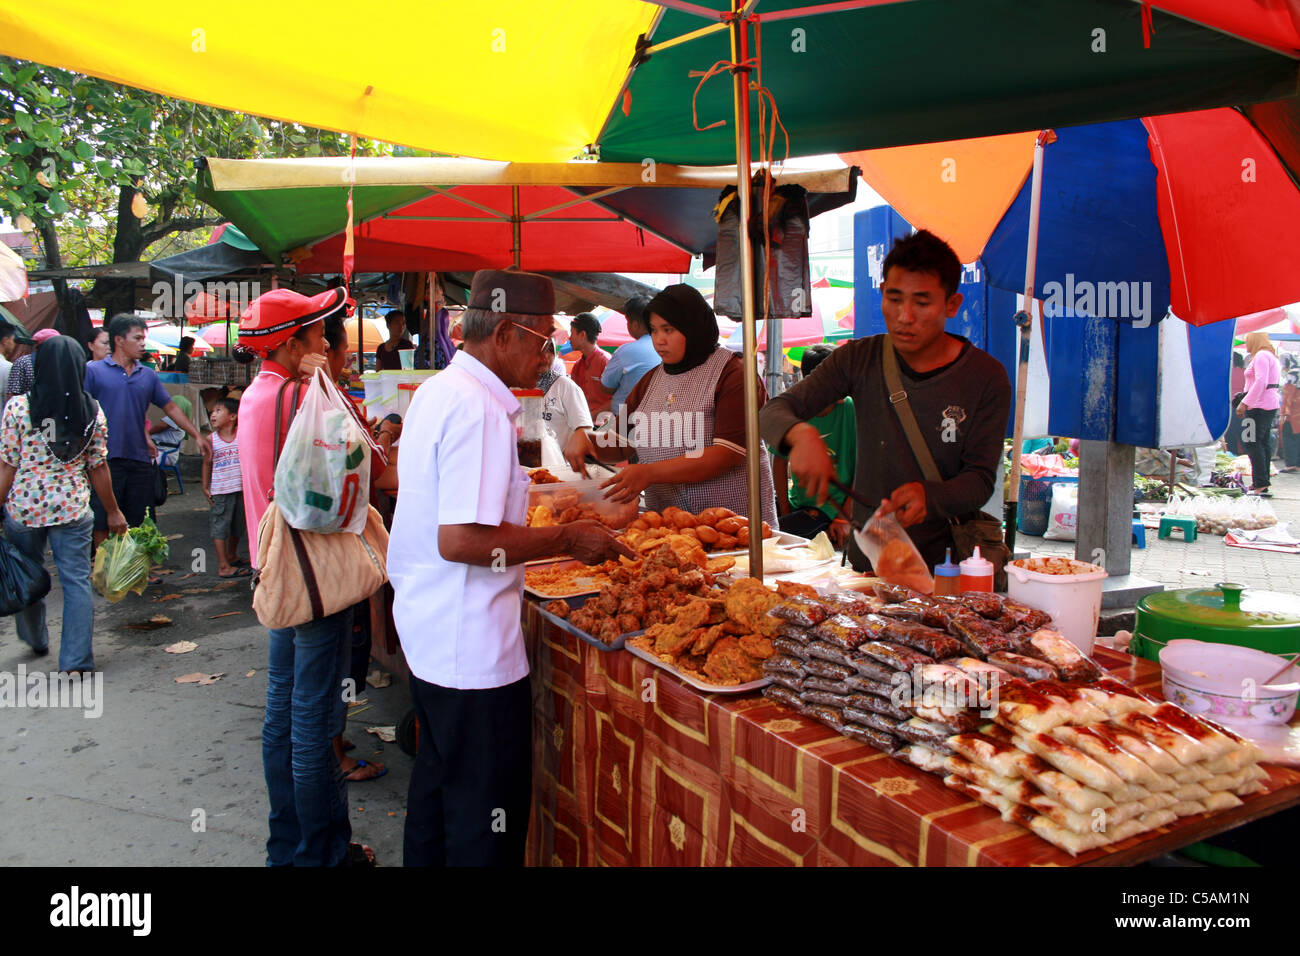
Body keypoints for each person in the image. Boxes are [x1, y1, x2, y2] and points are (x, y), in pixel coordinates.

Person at [388, 268, 632, 867]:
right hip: (469, 650)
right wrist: (568, 538)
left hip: (431, 633)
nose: (549, 355)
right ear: (502, 332)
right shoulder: (476, 409)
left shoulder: (442, 392)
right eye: (543, 340)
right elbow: (463, 539)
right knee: (484, 822)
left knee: (437, 797)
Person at [236, 286, 385, 867]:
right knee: (313, 719)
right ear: (293, 344)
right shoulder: (305, 398)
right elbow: (370, 473)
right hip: (314, 579)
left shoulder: (257, 394)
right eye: (320, 333)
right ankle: (323, 853)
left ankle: (288, 847)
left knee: (283, 711)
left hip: (274, 575)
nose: (328, 342)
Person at [760, 230, 1011, 571]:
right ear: (882, 294)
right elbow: (773, 411)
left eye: (922, 302)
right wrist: (799, 435)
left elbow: (980, 479)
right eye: (894, 299)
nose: (905, 316)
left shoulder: (985, 377)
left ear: (952, 304)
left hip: (949, 566)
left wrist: (931, 496)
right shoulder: (860, 358)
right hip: (870, 565)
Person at [586, 284, 779, 524]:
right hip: (669, 527)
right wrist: (584, 441)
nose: (660, 340)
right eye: (654, 330)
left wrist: (650, 472)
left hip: (734, 526)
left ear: (693, 327)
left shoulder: (733, 373)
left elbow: (727, 454)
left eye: (669, 330)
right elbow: (621, 443)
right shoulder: (650, 380)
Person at [0, 336, 127, 671]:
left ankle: (36, 637)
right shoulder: (92, 410)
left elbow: (7, 465)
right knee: (76, 581)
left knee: (27, 572)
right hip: (72, 508)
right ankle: (76, 659)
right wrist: (113, 510)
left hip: (24, 509)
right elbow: (98, 466)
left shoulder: (18, 407)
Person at [322, 308, 393, 785]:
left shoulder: (291, 396)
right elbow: (371, 469)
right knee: (337, 656)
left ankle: (330, 737)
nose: (348, 358)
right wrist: (385, 433)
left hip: (323, 555)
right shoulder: (322, 406)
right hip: (332, 559)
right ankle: (332, 755)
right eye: (344, 348)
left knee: (334, 659)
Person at [84, 315, 211, 549]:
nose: (143, 343)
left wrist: (196, 434)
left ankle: (140, 571)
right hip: (104, 460)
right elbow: (83, 411)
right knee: (102, 519)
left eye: (144, 338)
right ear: (120, 340)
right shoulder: (94, 371)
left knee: (142, 519)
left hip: (140, 458)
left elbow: (170, 406)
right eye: (138, 338)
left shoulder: (148, 375)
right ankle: (101, 570)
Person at [772, 345, 855, 547]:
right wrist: (783, 510)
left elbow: (864, 470)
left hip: (832, 508)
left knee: (773, 537)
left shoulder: (851, 410)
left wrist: (844, 518)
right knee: (758, 525)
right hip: (798, 504)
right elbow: (779, 463)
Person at [202, 397, 248, 578]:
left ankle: (232, 555)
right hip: (221, 490)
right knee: (220, 526)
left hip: (240, 488)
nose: (213, 414)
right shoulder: (210, 439)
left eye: (218, 411)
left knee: (238, 525)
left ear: (233, 416)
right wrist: (205, 487)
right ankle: (223, 565)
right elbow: (207, 464)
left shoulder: (242, 435)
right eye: (212, 412)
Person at [536, 337, 595, 473]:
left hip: (557, 471)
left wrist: (566, 456)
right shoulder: (515, 386)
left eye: (550, 351)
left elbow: (585, 428)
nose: (545, 357)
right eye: (539, 351)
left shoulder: (565, 387)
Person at [600, 293, 661, 417]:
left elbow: (606, 387)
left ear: (635, 324)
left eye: (627, 322)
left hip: (627, 422)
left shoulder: (625, 351)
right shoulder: (665, 347)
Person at [1238, 331, 1282, 496]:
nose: (1246, 344)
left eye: (1248, 340)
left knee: (1251, 442)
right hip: (1267, 405)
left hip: (1257, 406)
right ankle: (1261, 483)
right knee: (1262, 443)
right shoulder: (1270, 356)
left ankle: (1260, 483)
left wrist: (1244, 403)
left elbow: (1260, 381)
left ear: (1255, 341)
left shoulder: (1261, 356)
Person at [568, 312, 611, 418]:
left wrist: (591, 416)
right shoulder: (577, 366)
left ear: (582, 335)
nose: (569, 338)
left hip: (604, 425)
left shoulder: (605, 361)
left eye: (572, 333)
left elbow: (616, 399)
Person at [6, 328, 59, 404]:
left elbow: (12, 395)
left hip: (27, 411)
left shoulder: (22, 362)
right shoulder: (63, 364)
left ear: (35, 345)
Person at [1281, 363, 1300, 473]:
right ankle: (1298, 464)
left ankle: (1290, 465)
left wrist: (1284, 414)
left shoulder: (1292, 376)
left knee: (1288, 438)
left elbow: (1287, 398)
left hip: (1293, 415)